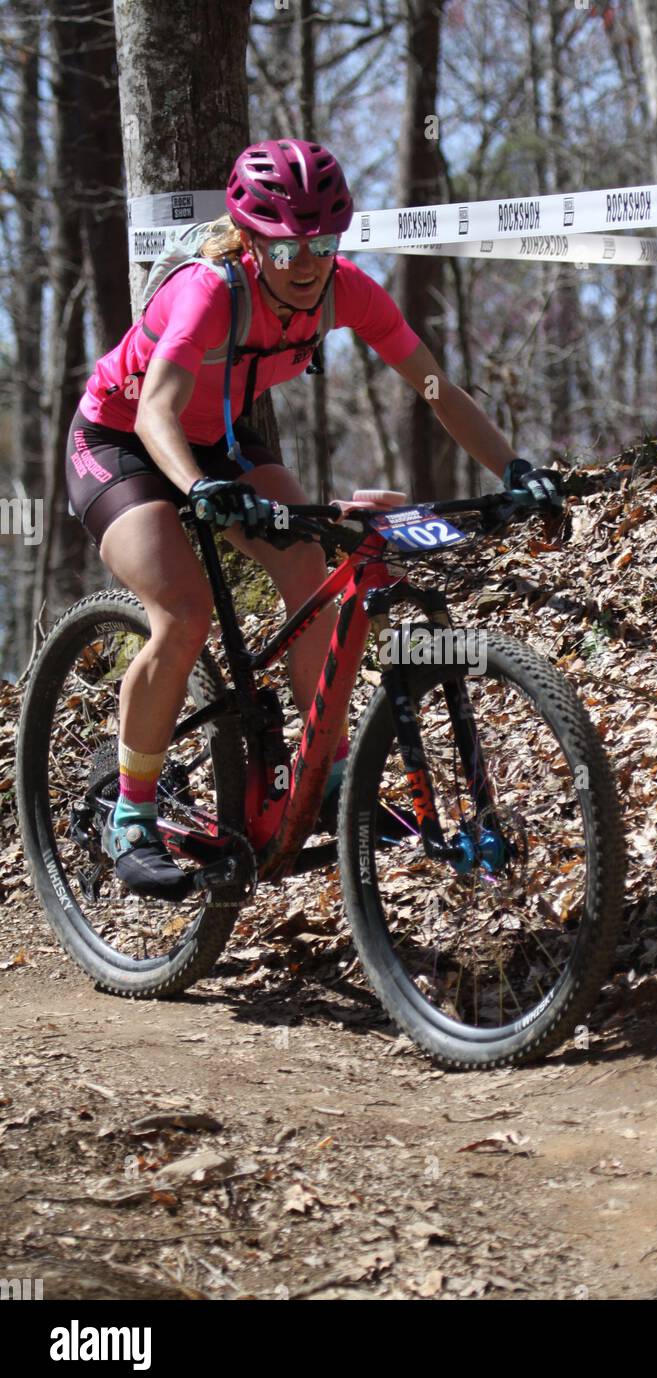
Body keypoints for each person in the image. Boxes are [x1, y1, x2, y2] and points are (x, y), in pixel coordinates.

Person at [65, 138, 564, 899]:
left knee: (312, 571)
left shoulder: (347, 290)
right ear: (253, 239)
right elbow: (159, 410)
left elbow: (435, 388)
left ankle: (323, 770)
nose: (306, 262)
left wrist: (516, 470)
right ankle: (130, 812)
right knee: (183, 609)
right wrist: (198, 487)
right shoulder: (208, 291)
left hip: (217, 442)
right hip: (124, 441)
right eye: (287, 245)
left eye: (323, 244)